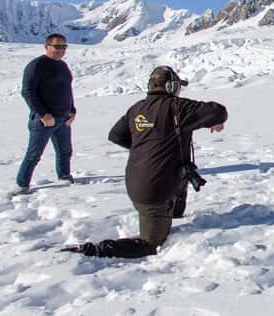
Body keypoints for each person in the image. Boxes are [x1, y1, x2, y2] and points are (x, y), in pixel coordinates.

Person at [62, 66, 227, 258]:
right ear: (172, 87)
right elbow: (218, 112)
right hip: (153, 191)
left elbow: (116, 135)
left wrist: (146, 147)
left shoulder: (137, 109)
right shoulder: (177, 107)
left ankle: (174, 213)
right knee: (151, 244)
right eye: (178, 87)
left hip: (139, 182)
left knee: (182, 171)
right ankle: (93, 250)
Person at [12, 33, 76, 196]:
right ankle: (22, 185)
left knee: (65, 151)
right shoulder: (37, 65)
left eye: (64, 46)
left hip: (63, 118)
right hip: (44, 120)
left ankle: (64, 176)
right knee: (34, 154)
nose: (61, 50)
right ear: (47, 46)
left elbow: (67, 90)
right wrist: (42, 114)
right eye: (57, 46)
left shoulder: (63, 66)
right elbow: (27, 91)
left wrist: (72, 111)